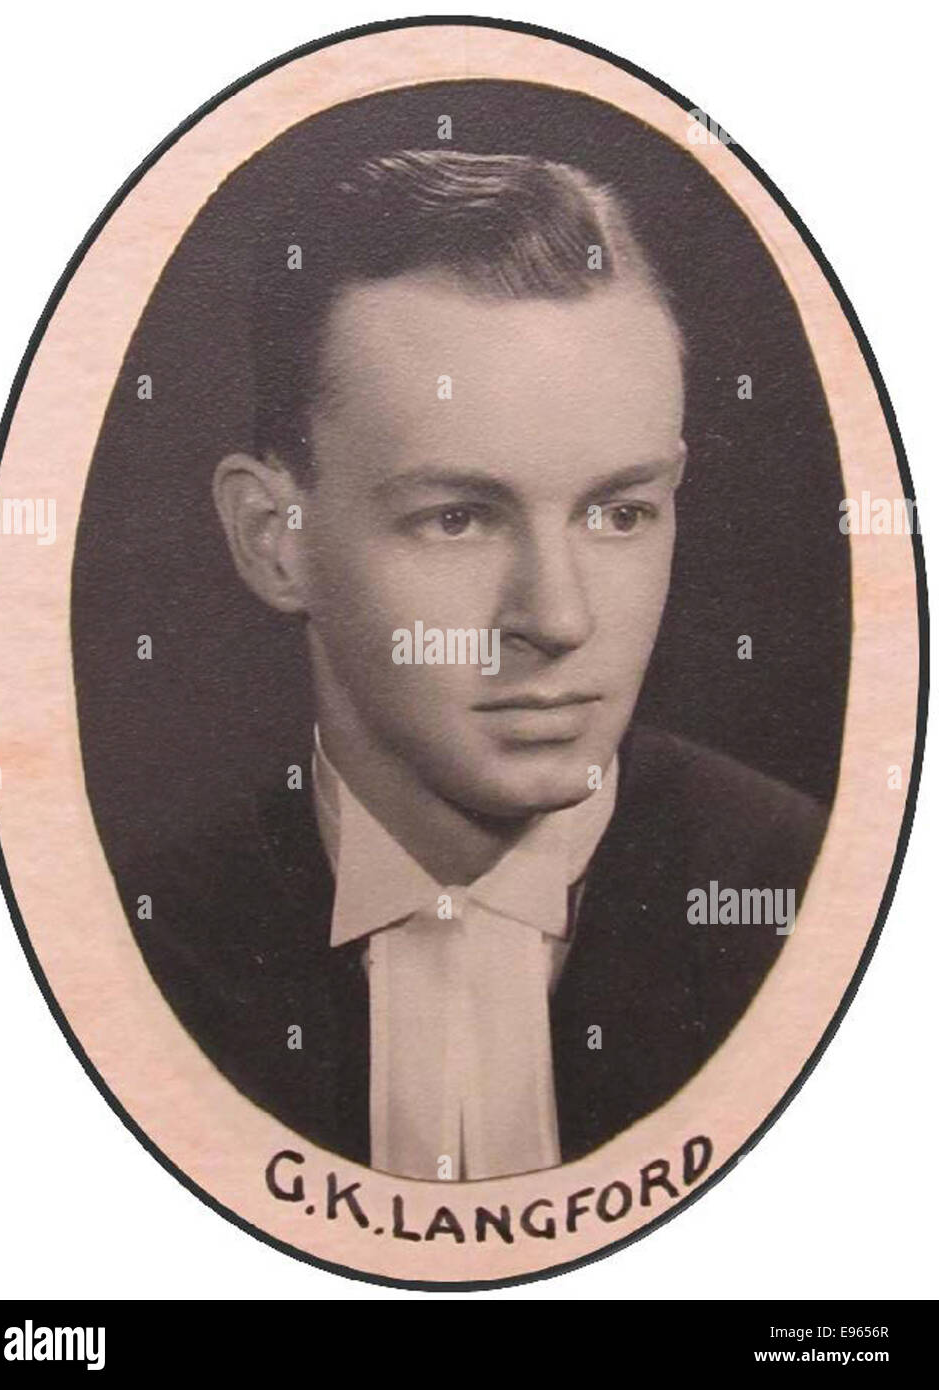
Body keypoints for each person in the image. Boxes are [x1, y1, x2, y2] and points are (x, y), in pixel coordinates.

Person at [123, 150, 826, 1180]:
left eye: (619, 511)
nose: (557, 616)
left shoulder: (821, 901)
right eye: (456, 518)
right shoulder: (133, 953)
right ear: (275, 537)